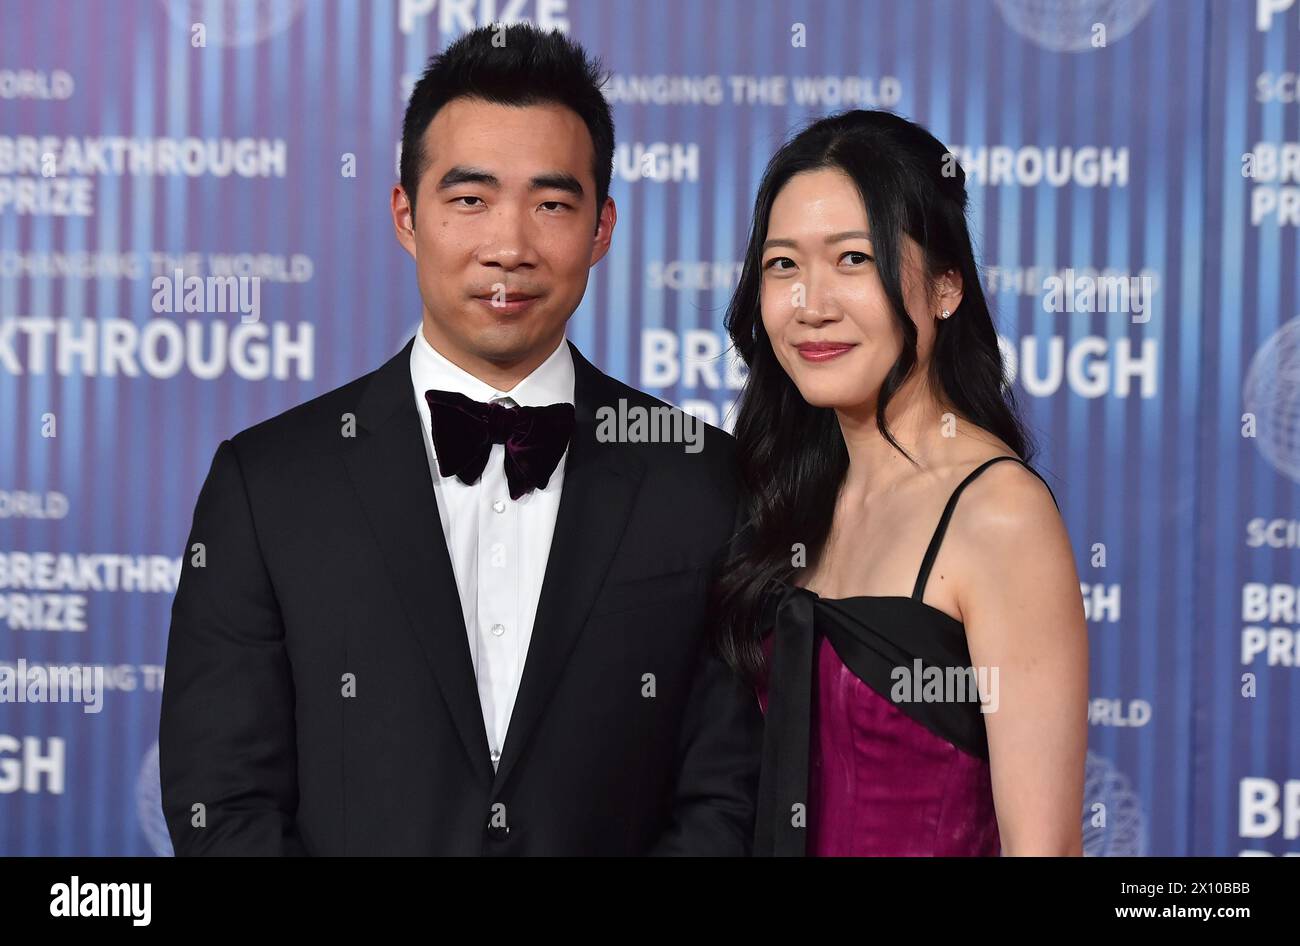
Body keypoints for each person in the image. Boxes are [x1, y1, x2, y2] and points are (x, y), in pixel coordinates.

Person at [160, 24, 761, 856]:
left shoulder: (700, 477)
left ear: (601, 229)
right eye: (469, 200)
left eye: (551, 204)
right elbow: (224, 803)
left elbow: (726, 801)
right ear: (407, 216)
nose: (508, 247)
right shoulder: (267, 485)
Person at [714, 109, 1089, 856]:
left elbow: (1043, 849)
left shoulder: (998, 513)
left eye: (854, 259)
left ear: (946, 285)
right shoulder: (783, 497)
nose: (811, 305)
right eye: (783, 264)